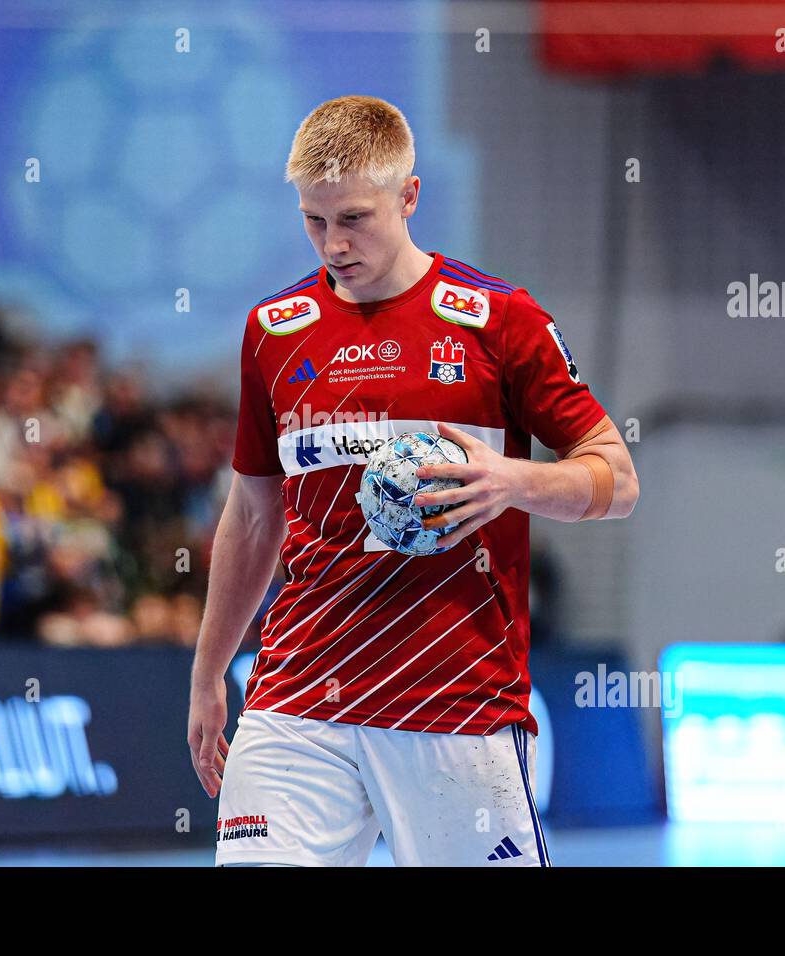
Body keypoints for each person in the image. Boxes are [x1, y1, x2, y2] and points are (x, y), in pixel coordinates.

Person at [188, 96, 639, 867]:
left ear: (410, 196)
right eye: (314, 221)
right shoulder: (274, 330)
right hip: (298, 697)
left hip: (455, 705)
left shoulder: (498, 320)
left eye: (354, 218)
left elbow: (616, 478)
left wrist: (511, 481)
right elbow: (254, 518)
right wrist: (205, 676)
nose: (334, 244)